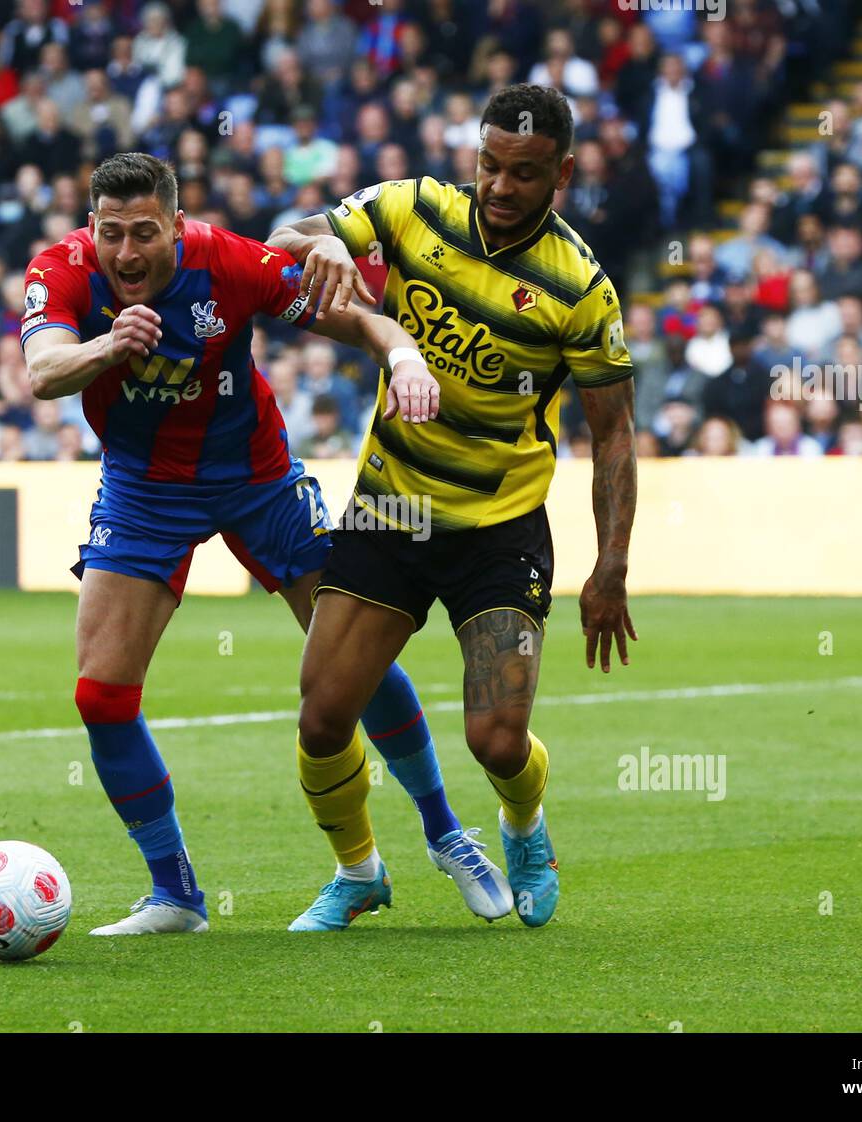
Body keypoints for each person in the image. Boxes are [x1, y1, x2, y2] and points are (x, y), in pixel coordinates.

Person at [21, 153, 506, 936]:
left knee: (356, 659)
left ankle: (446, 831)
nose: (128, 253)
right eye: (112, 234)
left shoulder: (232, 262)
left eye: (146, 233)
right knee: (100, 695)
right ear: (91, 229)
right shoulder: (62, 270)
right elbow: (43, 372)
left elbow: (355, 316)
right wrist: (106, 348)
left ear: (177, 225)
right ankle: (175, 894)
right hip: (144, 490)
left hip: (259, 479)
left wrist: (403, 353)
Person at [268, 85, 637, 931]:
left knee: (497, 743)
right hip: (393, 507)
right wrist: (313, 246)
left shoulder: (580, 286)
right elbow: (288, 240)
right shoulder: (411, 209)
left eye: (526, 173)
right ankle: (359, 872)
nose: (501, 187)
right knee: (323, 718)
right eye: (490, 166)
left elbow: (612, 433)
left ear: (564, 174)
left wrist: (609, 563)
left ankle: (524, 825)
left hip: (498, 525)